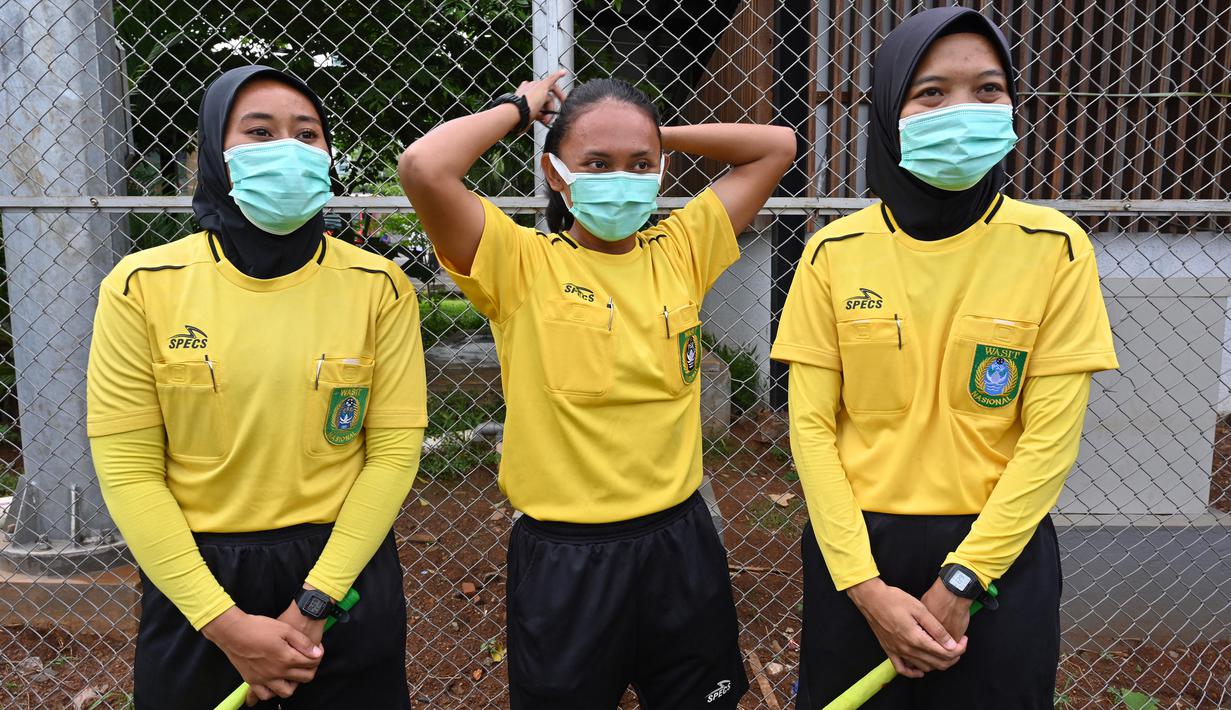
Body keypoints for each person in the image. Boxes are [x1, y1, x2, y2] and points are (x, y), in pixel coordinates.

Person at [399, 73, 795, 709]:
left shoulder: (683, 248)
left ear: (662, 170)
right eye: (597, 162)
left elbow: (776, 144)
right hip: (566, 557)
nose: (621, 177)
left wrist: (652, 131)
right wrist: (519, 107)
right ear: (556, 174)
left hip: (679, 542)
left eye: (640, 164)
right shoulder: (519, 263)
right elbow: (423, 166)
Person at [770, 7, 1118, 708]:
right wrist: (867, 591)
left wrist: (965, 578)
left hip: (997, 561)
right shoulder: (832, 254)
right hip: (857, 555)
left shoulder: (1052, 247)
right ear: (889, 109)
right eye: (931, 92)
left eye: (987, 89)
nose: (962, 110)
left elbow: (1048, 438)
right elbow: (809, 429)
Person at [87, 65, 426, 710]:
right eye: (260, 131)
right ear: (216, 151)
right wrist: (226, 624)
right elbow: (129, 474)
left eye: (308, 133)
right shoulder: (140, 287)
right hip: (198, 588)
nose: (289, 150)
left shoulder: (379, 286)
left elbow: (390, 455)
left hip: (343, 578)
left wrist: (314, 604)